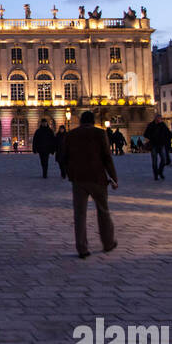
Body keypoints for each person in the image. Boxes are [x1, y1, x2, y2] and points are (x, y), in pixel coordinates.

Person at [58, 111, 118, 259]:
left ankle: (82, 248)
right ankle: (108, 242)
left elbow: (63, 157)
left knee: (79, 214)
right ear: (93, 121)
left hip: (78, 180)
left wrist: (69, 173)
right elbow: (107, 157)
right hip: (98, 178)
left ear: (80, 121)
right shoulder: (100, 133)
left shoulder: (71, 135)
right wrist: (114, 177)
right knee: (103, 211)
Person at [143, 115, 171, 180]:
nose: (159, 120)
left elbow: (168, 133)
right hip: (153, 145)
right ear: (155, 118)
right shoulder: (151, 125)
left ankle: (160, 172)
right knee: (154, 161)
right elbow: (145, 134)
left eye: (160, 119)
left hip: (161, 144)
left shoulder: (163, 125)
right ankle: (156, 175)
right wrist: (152, 137)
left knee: (163, 160)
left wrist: (165, 139)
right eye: (158, 118)